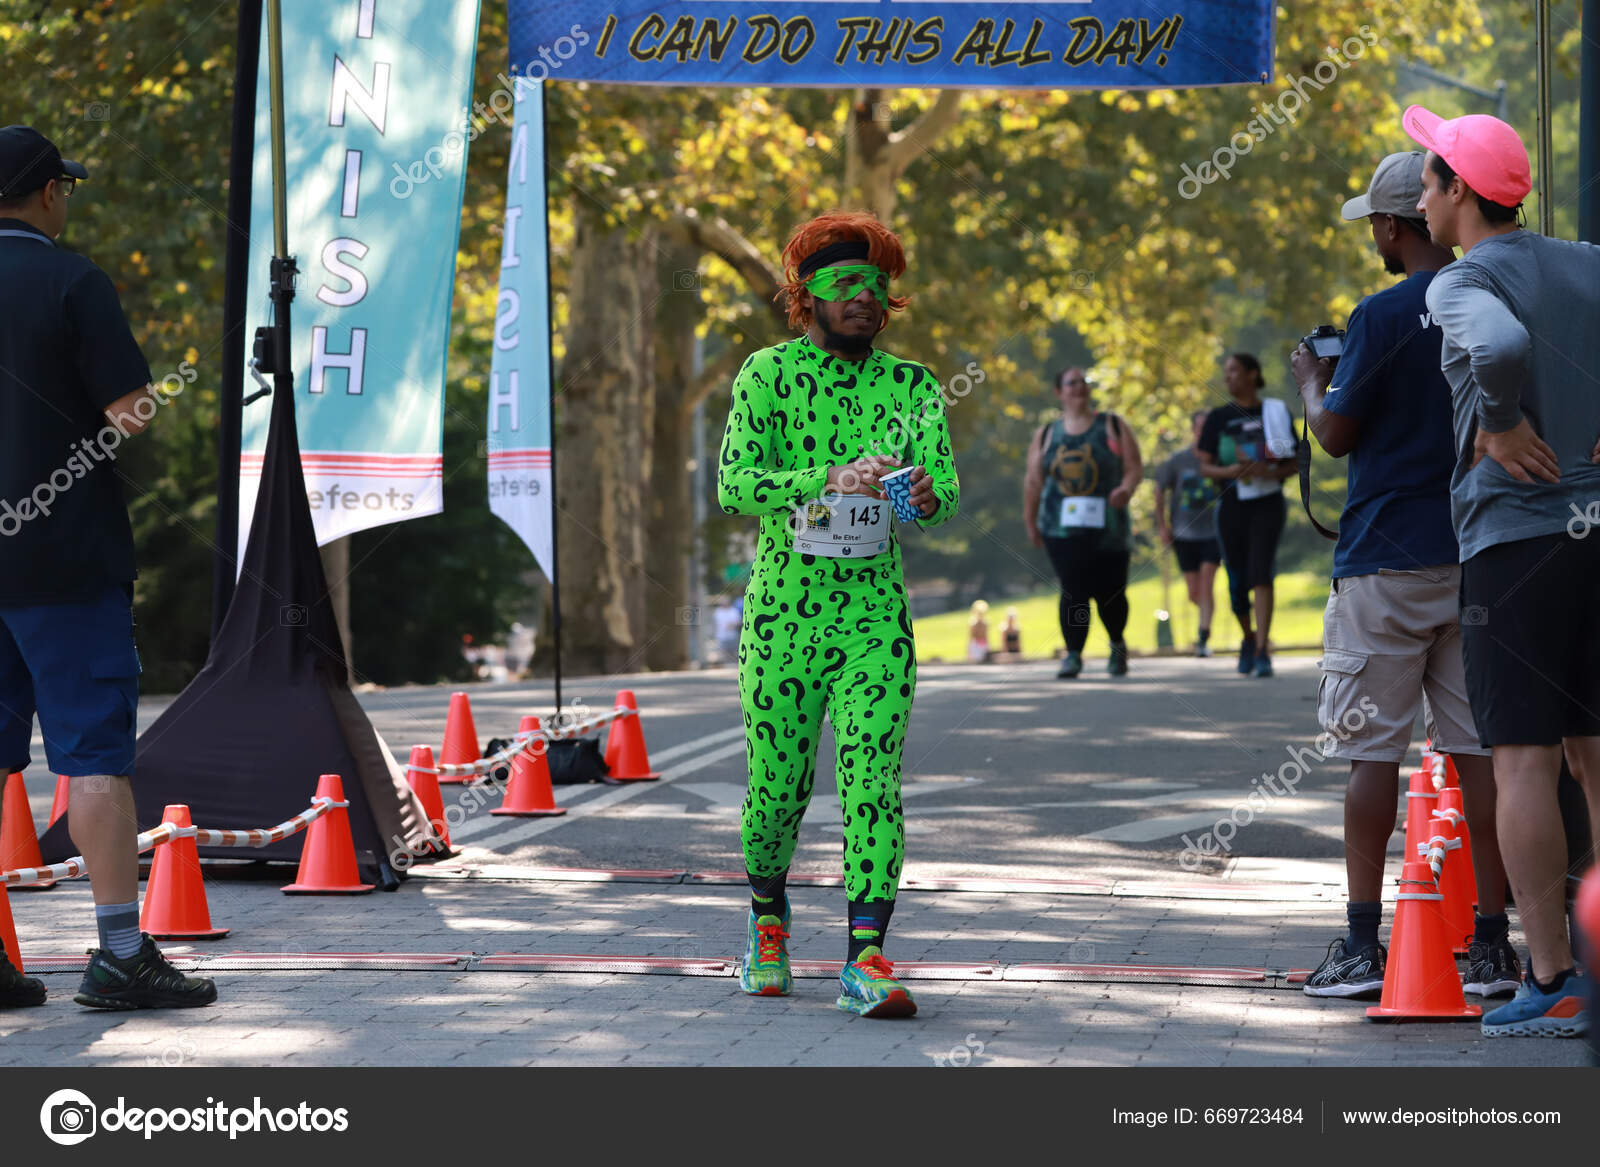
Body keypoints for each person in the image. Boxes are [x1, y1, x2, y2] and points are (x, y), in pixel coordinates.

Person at [717, 210, 958, 1018]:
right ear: (806, 297)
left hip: (874, 621)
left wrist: (922, 494)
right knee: (778, 788)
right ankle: (768, 922)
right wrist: (829, 477)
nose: (866, 299)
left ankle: (866, 955)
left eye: (878, 287)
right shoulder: (766, 376)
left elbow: (943, 495)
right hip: (784, 618)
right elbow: (735, 484)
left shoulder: (914, 386)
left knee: (872, 780)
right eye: (846, 286)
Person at [0, 126, 216, 1010]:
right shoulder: (72, 280)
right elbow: (128, 411)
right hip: (66, 560)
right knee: (91, 759)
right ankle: (121, 954)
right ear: (49, 192)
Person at [1291, 150, 1514, 1001]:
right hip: (1476, 555)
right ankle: (1492, 945)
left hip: (1384, 562)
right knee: (1481, 755)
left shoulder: (1380, 316)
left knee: (1371, 753)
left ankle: (1359, 943)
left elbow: (1338, 435)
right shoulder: (1488, 298)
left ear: (1391, 226)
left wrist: (1316, 381)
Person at [1405, 104, 1600, 1037]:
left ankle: (1556, 976)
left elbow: (1502, 345)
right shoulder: (1589, 262)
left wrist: (1505, 417)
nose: (1419, 191)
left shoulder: (1459, 280)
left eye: (1429, 177)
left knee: (1521, 758)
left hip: (1516, 549)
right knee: (1596, 755)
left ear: (1458, 196)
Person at [1023, 368, 1143, 678]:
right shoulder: (1048, 433)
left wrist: (1125, 490)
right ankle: (1073, 654)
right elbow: (1034, 482)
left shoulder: (1113, 425)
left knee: (1110, 591)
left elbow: (1134, 467)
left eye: (1084, 382)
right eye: (1071, 383)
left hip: (1109, 528)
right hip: (1060, 529)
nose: (1079, 388)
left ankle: (1117, 646)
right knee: (1073, 588)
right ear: (1059, 392)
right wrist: (1031, 522)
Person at [1197, 353, 1297, 677]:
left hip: (1267, 502)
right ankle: (1247, 636)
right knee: (1237, 581)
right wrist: (1229, 470)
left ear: (1253, 373)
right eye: (1225, 372)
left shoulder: (1275, 411)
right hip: (1232, 504)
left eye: (1234, 370)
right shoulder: (1218, 417)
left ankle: (1261, 648)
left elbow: (1296, 460)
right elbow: (1203, 465)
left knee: (1261, 572)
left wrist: (1270, 471)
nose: (1228, 377)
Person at [1153, 409, 1222, 656]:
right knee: (1194, 592)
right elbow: (1159, 489)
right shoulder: (1178, 460)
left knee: (1207, 582)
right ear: (1193, 429)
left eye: (1208, 427)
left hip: (1214, 533)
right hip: (1183, 533)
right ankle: (1205, 614)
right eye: (1200, 427)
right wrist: (1162, 525)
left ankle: (1203, 638)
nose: (1203, 431)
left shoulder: (1219, 459)